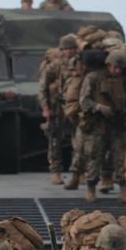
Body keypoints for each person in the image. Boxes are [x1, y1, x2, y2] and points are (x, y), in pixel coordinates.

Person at [79, 49, 126, 203]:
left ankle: (123, 190)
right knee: (95, 157)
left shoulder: (124, 80)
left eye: (120, 68)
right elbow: (83, 101)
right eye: (115, 67)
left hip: (117, 124)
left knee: (121, 157)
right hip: (98, 124)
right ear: (108, 64)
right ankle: (91, 189)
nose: (117, 71)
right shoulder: (93, 78)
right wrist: (98, 107)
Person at [39, 33, 80, 185]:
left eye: (72, 48)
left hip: (75, 107)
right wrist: (45, 107)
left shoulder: (80, 64)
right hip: (57, 107)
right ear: (62, 50)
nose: (69, 52)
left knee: (79, 140)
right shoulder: (55, 66)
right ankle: (55, 171)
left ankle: (78, 172)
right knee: (55, 139)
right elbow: (42, 88)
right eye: (66, 49)